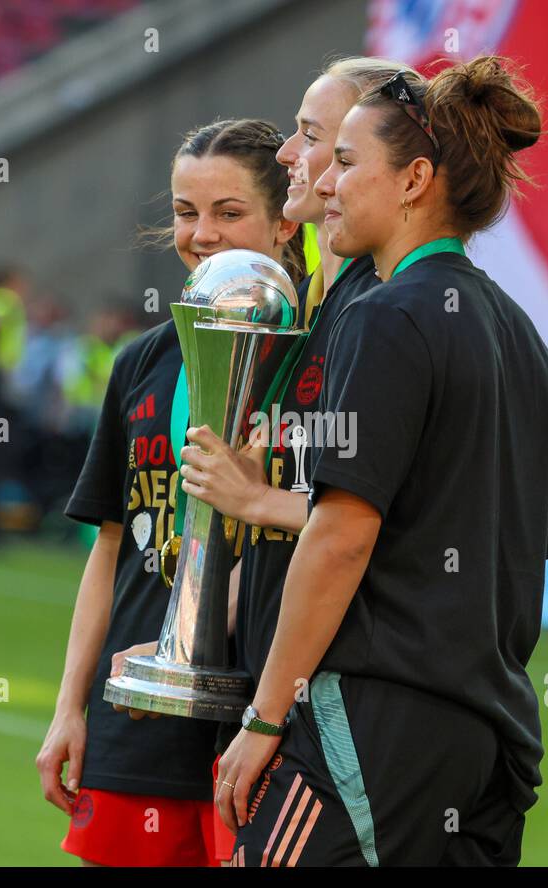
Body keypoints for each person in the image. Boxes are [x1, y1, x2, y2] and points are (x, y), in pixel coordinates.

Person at [215, 56, 548, 866]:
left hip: (377, 722)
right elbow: (521, 551)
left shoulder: (387, 318)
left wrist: (264, 719)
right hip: (489, 734)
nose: (322, 183)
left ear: (413, 180)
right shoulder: (523, 339)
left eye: (343, 162)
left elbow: (340, 536)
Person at [35, 118, 305, 867]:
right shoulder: (142, 364)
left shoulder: (320, 368)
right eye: (187, 213)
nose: (202, 235)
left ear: (285, 221)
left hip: (258, 724)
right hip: (134, 721)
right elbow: (110, 549)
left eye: (228, 212)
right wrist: (70, 707)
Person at [175, 56, 414, 708]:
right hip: (270, 670)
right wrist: (191, 638)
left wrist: (254, 501)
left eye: (312, 137)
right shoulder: (309, 303)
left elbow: (380, 526)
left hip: (343, 690)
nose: (287, 153)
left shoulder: (388, 315)